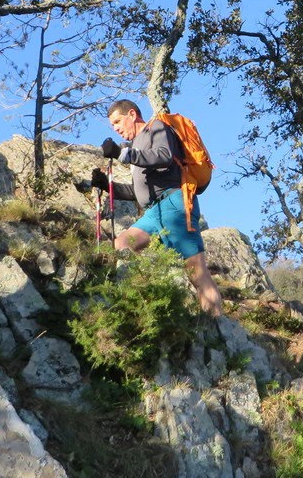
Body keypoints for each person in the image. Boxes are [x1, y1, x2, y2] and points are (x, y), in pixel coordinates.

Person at [88, 99, 223, 316]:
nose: (116, 128)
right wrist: (107, 185)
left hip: (175, 204)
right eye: (112, 126)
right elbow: (137, 192)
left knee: (197, 273)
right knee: (121, 244)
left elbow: (164, 156)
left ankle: (215, 323)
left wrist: (124, 154)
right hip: (153, 212)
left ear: (132, 114)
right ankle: (146, 306)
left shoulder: (156, 127)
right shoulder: (135, 147)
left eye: (117, 121)